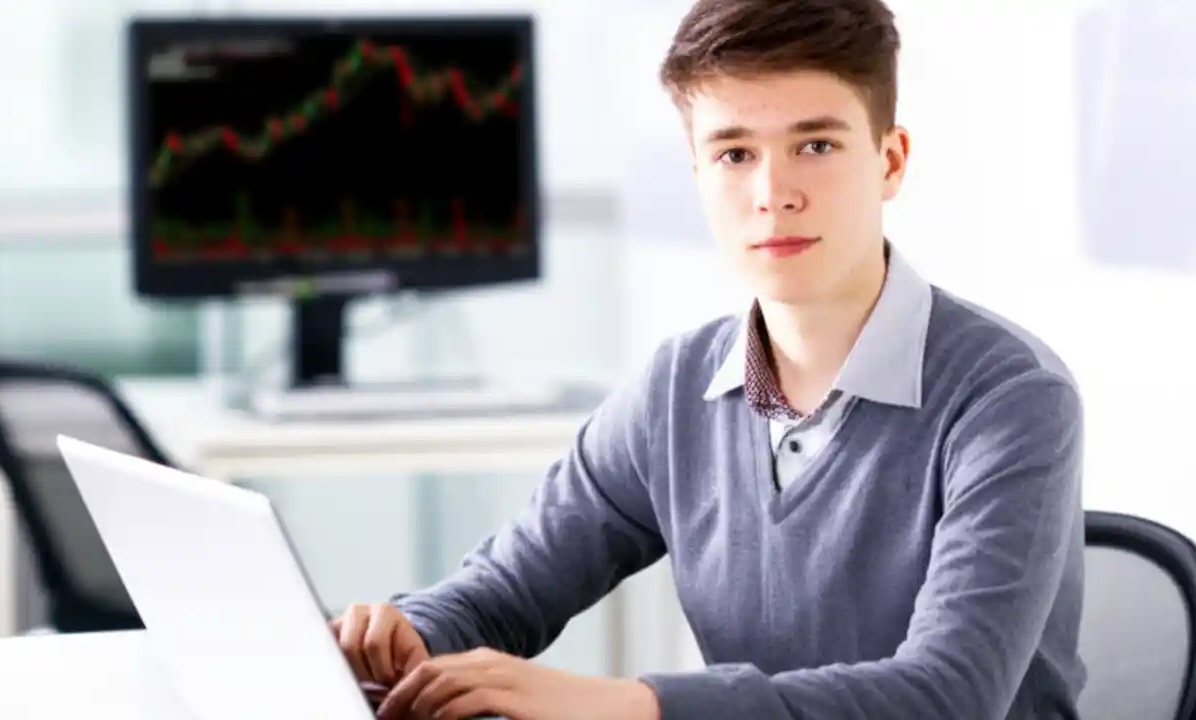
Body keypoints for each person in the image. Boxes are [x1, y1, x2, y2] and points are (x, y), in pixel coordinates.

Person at [331, 0, 1087, 717]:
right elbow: (506, 591)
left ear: (890, 161)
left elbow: (947, 698)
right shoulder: (676, 390)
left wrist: (628, 705)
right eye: (733, 153)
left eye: (815, 146)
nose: (772, 192)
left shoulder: (1012, 396)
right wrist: (408, 635)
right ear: (698, 172)